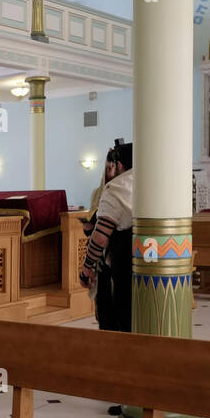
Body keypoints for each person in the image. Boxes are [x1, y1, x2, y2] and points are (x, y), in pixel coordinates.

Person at [79, 140, 134, 333]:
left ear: (119, 165)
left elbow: (101, 236)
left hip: (125, 264)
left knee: (123, 321)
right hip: (156, 264)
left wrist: (86, 268)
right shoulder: (150, 182)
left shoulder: (117, 188)